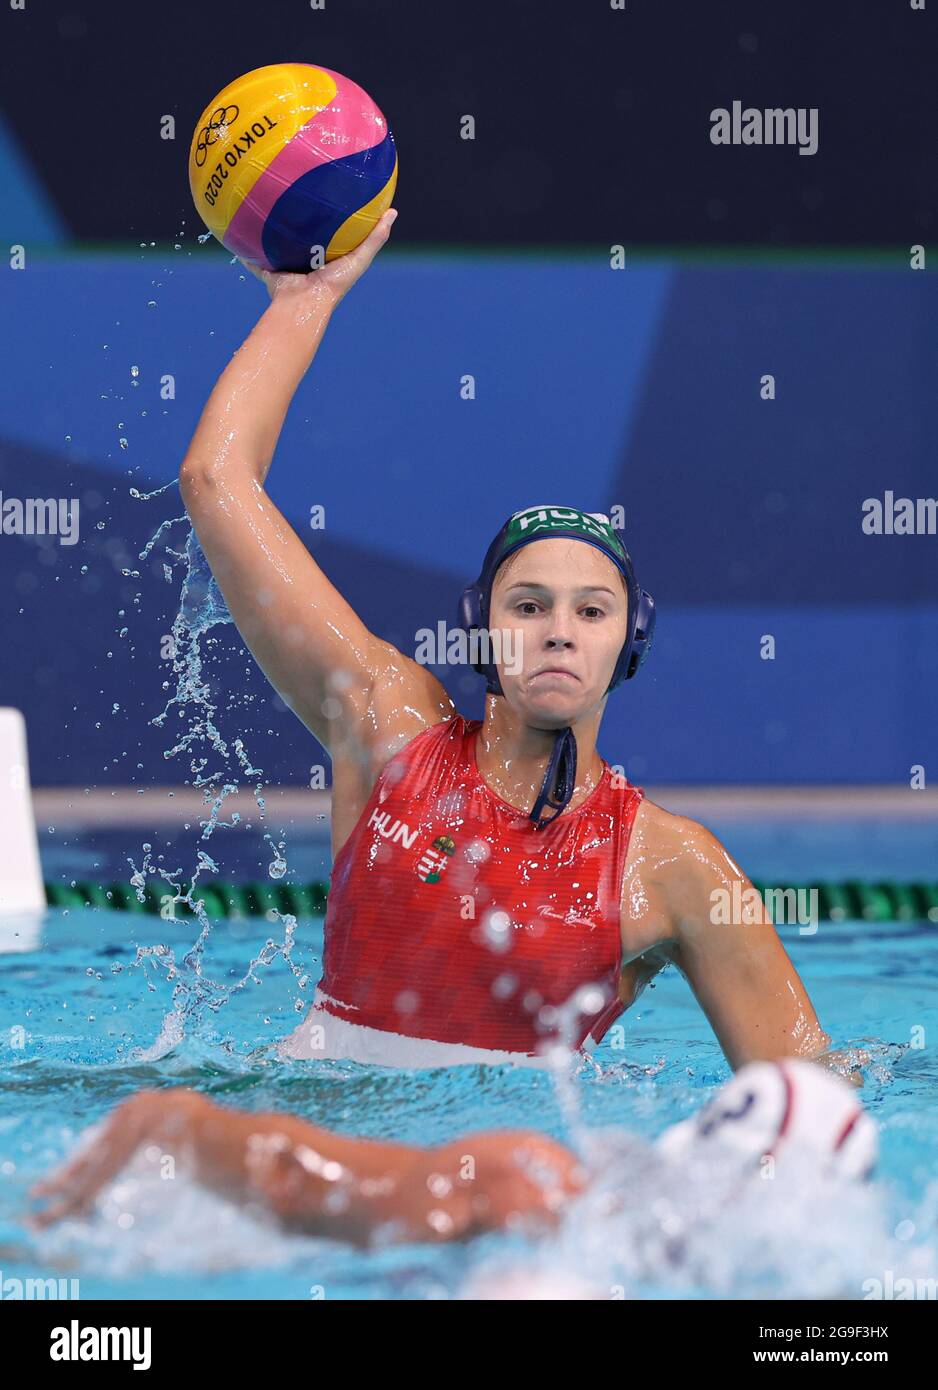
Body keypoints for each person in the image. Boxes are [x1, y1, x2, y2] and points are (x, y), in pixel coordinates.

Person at [178, 207, 848, 1073]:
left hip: (509, 1193)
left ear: (629, 642)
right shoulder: (388, 730)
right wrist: (304, 301)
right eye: (528, 606)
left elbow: (810, 1093)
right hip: (321, 1154)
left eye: (591, 612)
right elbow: (215, 478)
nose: (559, 633)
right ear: (481, 629)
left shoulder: (672, 864)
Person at [26, 1060, 876, 1247]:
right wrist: (175, 1121)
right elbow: (285, 1177)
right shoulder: (526, 1189)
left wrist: (175, 1121)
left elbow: (289, 1184)